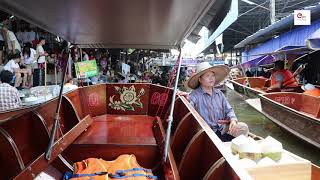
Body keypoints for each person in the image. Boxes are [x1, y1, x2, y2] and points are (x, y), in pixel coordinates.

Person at [185, 62, 249, 141]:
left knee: (243, 127)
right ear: (200, 79)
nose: (211, 78)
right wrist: (186, 98)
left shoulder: (219, 93)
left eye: (212, 75)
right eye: (207, 76)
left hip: (222, 128)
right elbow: (189, 109)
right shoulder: (195, 95)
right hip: (207, 132)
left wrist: (232, 120)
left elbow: (229, 109)